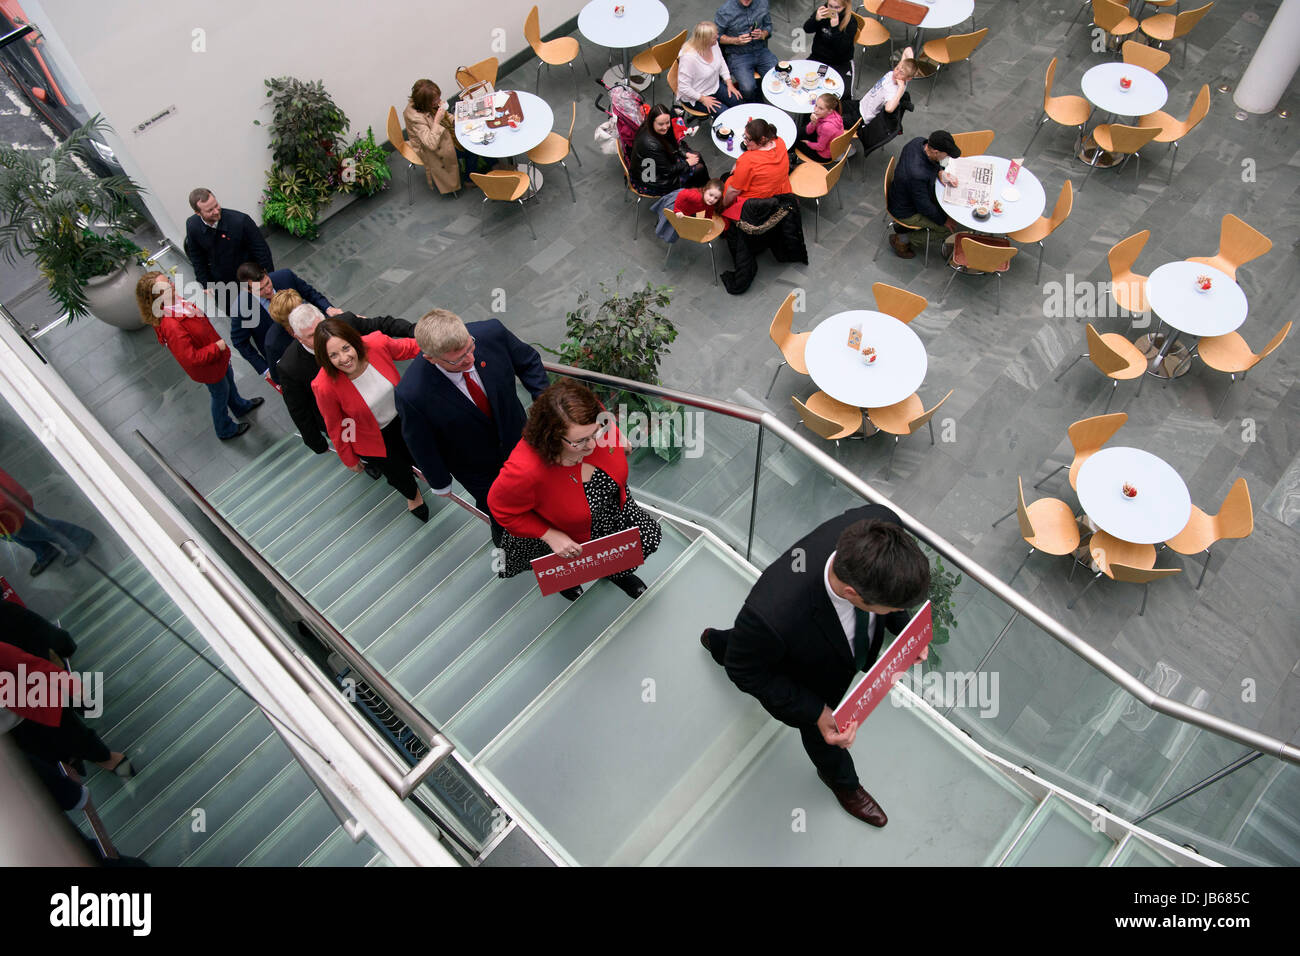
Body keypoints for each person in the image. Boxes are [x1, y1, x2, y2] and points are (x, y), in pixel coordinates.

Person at [700, 506, 931, 827]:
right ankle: (844, 783)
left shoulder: (882, 524)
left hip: (776, 639)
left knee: (745, 647)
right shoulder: (772, 614)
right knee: (821, 730)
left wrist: (908, 633)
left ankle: (718, 642)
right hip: (806, 666)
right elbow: (745, 672)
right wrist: (817, 712)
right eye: (891, 608)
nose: (894, 611)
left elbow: (888, 595)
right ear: (852, 593)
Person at [488, 379, 662, 602]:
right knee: (566, 567)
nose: (591, 446)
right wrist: (549, 535)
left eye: (595, 434)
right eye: (579, 441)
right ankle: (567, 582)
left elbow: (602, 415)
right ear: (551, 437)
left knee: (623, 551)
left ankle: (617, 574)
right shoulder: (524, 470)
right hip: (564, 530)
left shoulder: (588, 419)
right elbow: (502, 509)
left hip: (611, 512)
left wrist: (615, 435)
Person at [396, 310, 549, 534]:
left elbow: (529, 362)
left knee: (542, 491)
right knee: (503, 515)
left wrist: (546, 404)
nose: (470, 359)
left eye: (470, 347)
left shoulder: (492, 332)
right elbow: (421, 442)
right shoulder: (412, 393)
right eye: (458, 359)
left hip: (521, 439)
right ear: (431, 358)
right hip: (478, 470)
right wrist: (440, 482)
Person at [310, 320, 428, 522]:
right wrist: (349, 458)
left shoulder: (375, 343)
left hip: (405, 420)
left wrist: (442, 343)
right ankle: (413, 496)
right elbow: (336, 425)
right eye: (334, 355)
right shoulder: (324, 385)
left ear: (353, 341)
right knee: (398, 474)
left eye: (346, 348)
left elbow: (408, 348)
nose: (344, 358)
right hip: (374, 438)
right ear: (326, 358)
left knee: (423, 457)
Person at [135, 272, 263, 440]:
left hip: (216, 358)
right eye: (167, 286)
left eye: (170, 281)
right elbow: (191, 358)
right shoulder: (171, 325)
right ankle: (224, 429)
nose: (173, 285)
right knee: (220, 394)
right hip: (209, 365)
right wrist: (217, 347)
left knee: (228, 381)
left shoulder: (174, 302)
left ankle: (240, 406)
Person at [279, 303, 415, 457]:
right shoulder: (291, 367)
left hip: (400, 415)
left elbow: (383, 325)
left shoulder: (347, 324)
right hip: (358, 430)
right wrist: (339, 451)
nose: (320, 337)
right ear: (299, 338)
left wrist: (415, 330)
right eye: (311, 336)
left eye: (321, 327)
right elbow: (300, 410)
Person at [3, 638, 133, 778]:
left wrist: (70, 685)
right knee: (47, 753)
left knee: (77, 736)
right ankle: (74, 760)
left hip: (38, 704)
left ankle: (104, 757)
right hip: (10, 733)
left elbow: (29, 664)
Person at [234, 263, 341, 388]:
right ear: (247, 289)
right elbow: (239, 342)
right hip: (285, 353)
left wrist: (328, 308)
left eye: (267, 283)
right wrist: (265, 368)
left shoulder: (285, 276)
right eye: (260, 289)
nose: (268, 290)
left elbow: (310, 293)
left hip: (313, 337)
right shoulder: (242, 308)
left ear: (266, 273)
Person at [0, 468, 95, 577]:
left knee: (37, 529)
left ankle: (78, 537)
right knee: (18, 535)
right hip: (6, 513)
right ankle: (45, 551)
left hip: (9, 510)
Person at [886, 130, 962, 259]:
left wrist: (940, 172)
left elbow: (931, 165)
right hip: (906, 211)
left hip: (902, 194)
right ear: (936, 152)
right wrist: (944, 221)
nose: (947, 158)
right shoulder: (917, 174)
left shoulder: (918, 142)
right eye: (946, 155)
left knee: (942, 210)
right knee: (946, 229)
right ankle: (902, 239)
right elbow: (924, 206)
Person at [403, 79, 487, 196]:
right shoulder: (416, 118)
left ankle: (493, 164)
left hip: (443, 135)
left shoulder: (425, 104)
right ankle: (469, 179)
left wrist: (457, 120)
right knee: (470, 146)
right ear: (426, 103)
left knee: (476, 133)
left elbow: (446, 116)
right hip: (431, 150)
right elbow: (430, 144)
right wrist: (437, 120)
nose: (439, 101)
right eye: (435, 100)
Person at [183, 188, 274, 288]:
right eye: (210, 210)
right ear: (198, 213)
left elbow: (262, 252)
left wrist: (270, 278)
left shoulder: (241, 221)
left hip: (249, 277)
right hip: (222, 282)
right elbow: (197, 257)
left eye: (216, 205)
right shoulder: (192, 225)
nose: (216, 211)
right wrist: (205, 284)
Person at [722, 118, 792, 222]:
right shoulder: (779, 142)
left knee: (727, 183)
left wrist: (723, 205)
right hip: (780, 191)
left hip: (755, 203)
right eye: (744, 136)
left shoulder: (748, 160)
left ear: (761, 140)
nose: (745, 141)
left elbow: (734, 191)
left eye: (748, 139)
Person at [631, 105, 709, 196]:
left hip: (659, 165)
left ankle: (706, 190)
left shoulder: (654, 128)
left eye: (667, 122)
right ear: (652, 122)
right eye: (661, 124)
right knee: (698, 169)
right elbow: (667, 171)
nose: (665, 127)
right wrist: (687, 163)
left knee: (697, 156)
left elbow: (673, 142)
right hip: (652, 180)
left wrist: (685, 154)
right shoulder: (650, 145)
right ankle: (702, 193)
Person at [716, 0, 779, 101]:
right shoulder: (725, 11)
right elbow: (717, 36)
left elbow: (768, 26)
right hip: (738, 55)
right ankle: (752, 105)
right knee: (747, 88)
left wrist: (763, 34)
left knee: (777, 77)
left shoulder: (763, 3)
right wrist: (735, 40)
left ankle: (773, 104)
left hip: (760, 50)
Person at [676, 21, 744, 114]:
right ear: (705, 40)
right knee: (723, 112)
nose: (717, 37)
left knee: (738, 101)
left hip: (714, 85)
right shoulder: (688, 58)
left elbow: (721, 61)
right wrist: (702, 99)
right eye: (714, 37)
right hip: (696, 95)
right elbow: (684, 87)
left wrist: (729, 82)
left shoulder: (713, 44)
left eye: (717, 34)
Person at [803, 1, 856, 86]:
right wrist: (815, 19)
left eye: (837, 8)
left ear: (845, 7)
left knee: (836, 92)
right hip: (818, 57)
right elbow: (807, 29)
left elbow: (841, 49)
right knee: (804, 82)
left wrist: (835, 29)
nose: (832, 10)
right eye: (830, 6)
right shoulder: (823, 11)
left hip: (839, 62)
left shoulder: (851, 22)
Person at [796, 93, 845, 164]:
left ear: (829, 111)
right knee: (801, 131)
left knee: (795, 140)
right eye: (816, 105)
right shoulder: (833, 113)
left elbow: (820, 147)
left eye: (821, 108)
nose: (816, 110)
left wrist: (808, 143)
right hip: (823, 140)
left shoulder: (827, 127)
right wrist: (813, 122)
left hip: (822, 155)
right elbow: (808, 131)